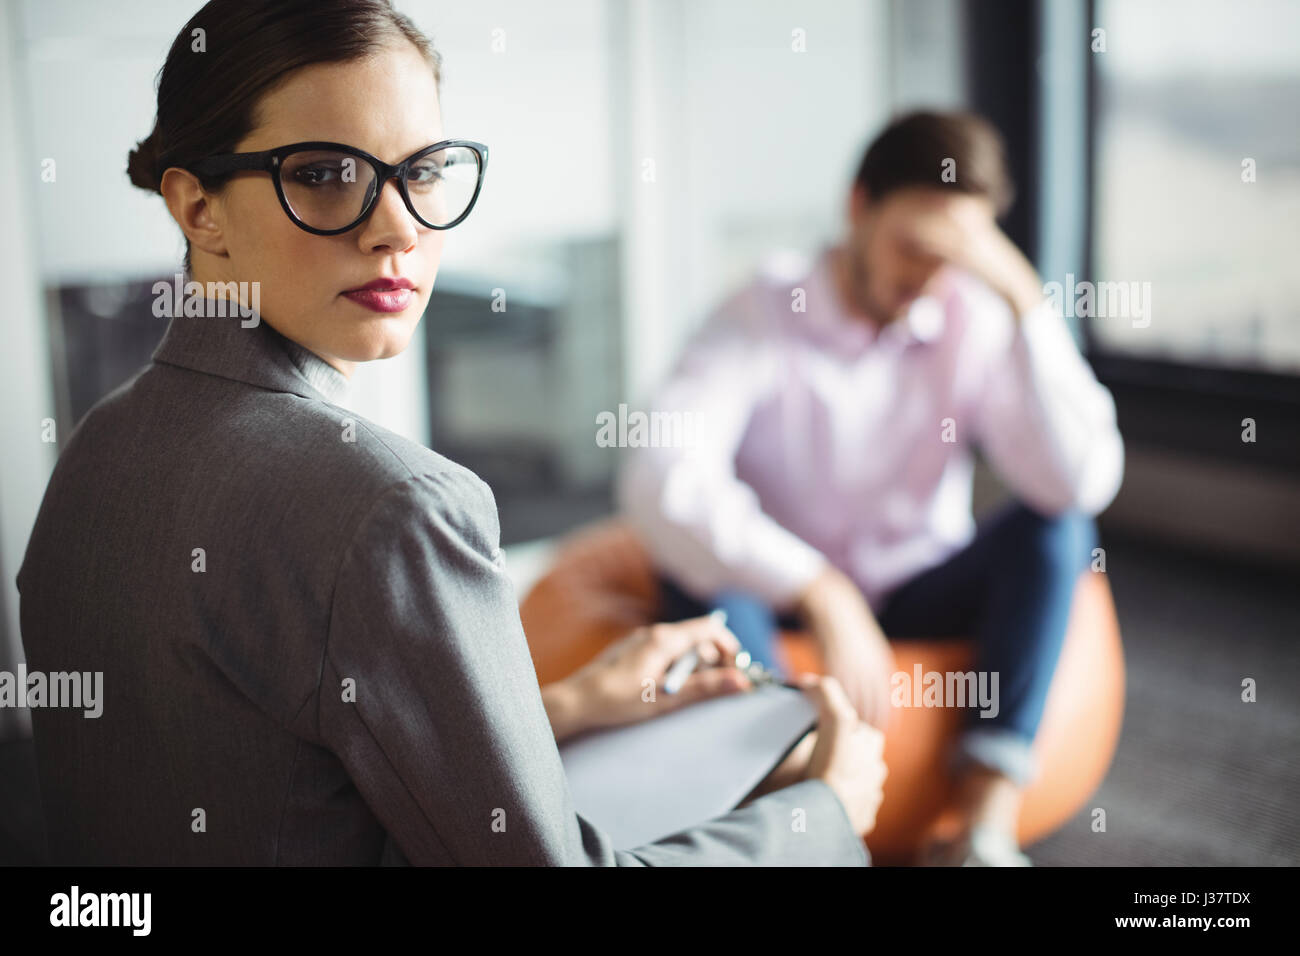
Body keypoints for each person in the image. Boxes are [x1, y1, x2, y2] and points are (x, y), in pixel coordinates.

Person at [16, 0, 886, 866]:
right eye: (323, 173)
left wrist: (556, 707)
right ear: (198, 208)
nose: (396, 226)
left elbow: (268, 767)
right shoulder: (391, 509)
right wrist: (819, 821)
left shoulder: (94, 456)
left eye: (423, 170)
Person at [618, 110, 1125, 866]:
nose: (926, 277)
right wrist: (820, 588)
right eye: (913, 245)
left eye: (953, 255)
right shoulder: (762, 308)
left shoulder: (975, 318)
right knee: (691, 568)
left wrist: (1025, 299)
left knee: (1058, 531)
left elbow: (1081, 479)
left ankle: (980, 826)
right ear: (859, 206)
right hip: (780, 599)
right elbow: (657, 477)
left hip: (918, 586)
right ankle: (788, 812)